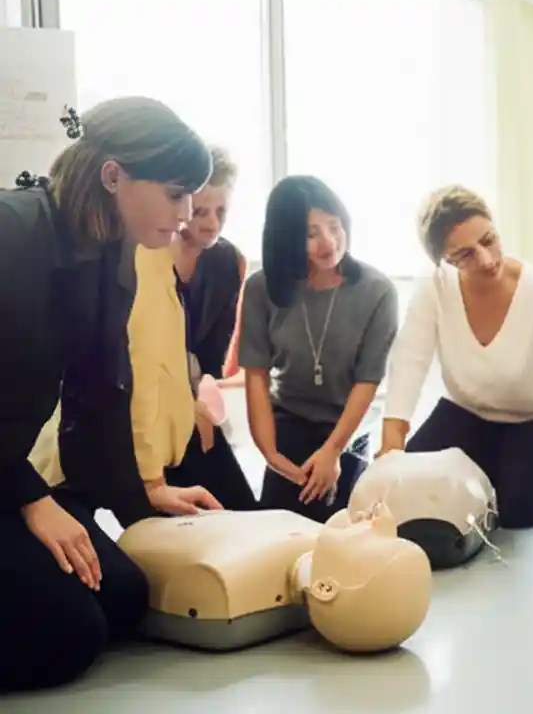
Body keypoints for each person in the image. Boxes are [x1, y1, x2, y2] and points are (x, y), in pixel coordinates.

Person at [0, 97, 222, 692]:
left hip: (7, 476)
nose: (187, 213)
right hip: (9, 480)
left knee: (124, 596)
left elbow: (99, 395)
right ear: (113, 176)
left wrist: (144, 495)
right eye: (176, 194)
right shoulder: (12, 234)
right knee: (68, 637)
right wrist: (32, 498)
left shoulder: (108, 254)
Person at [377, 184, 533, 529]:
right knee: (411, 494)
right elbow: (409, 361)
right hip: (465, 413)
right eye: (465, 255)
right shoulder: (436, 287)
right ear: (445, 261)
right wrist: (391, 446)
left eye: (489, 240)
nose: (486, 259)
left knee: (517, 516)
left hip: (532, 421)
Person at [238, 175, 398, 524]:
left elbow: (368, 380)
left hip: (347, 425)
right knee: (278, 526)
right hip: (289, 420)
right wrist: (270, 454)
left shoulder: (378, 291)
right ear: (286, 237)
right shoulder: (261, 288)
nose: (328, 242)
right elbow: (256, 376)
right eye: (311, 234)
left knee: (336, 526)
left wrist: (333, 450)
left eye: (334, 226)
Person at [162, 145, 256, 510]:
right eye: (200, 212)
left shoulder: (227, 262)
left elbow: (211, 361)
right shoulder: (150, 256)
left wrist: (196, 403)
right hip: (142, 402)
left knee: (239, 506)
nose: (212, 224)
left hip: (190, 397)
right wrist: (184, 406)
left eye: (221, 212)